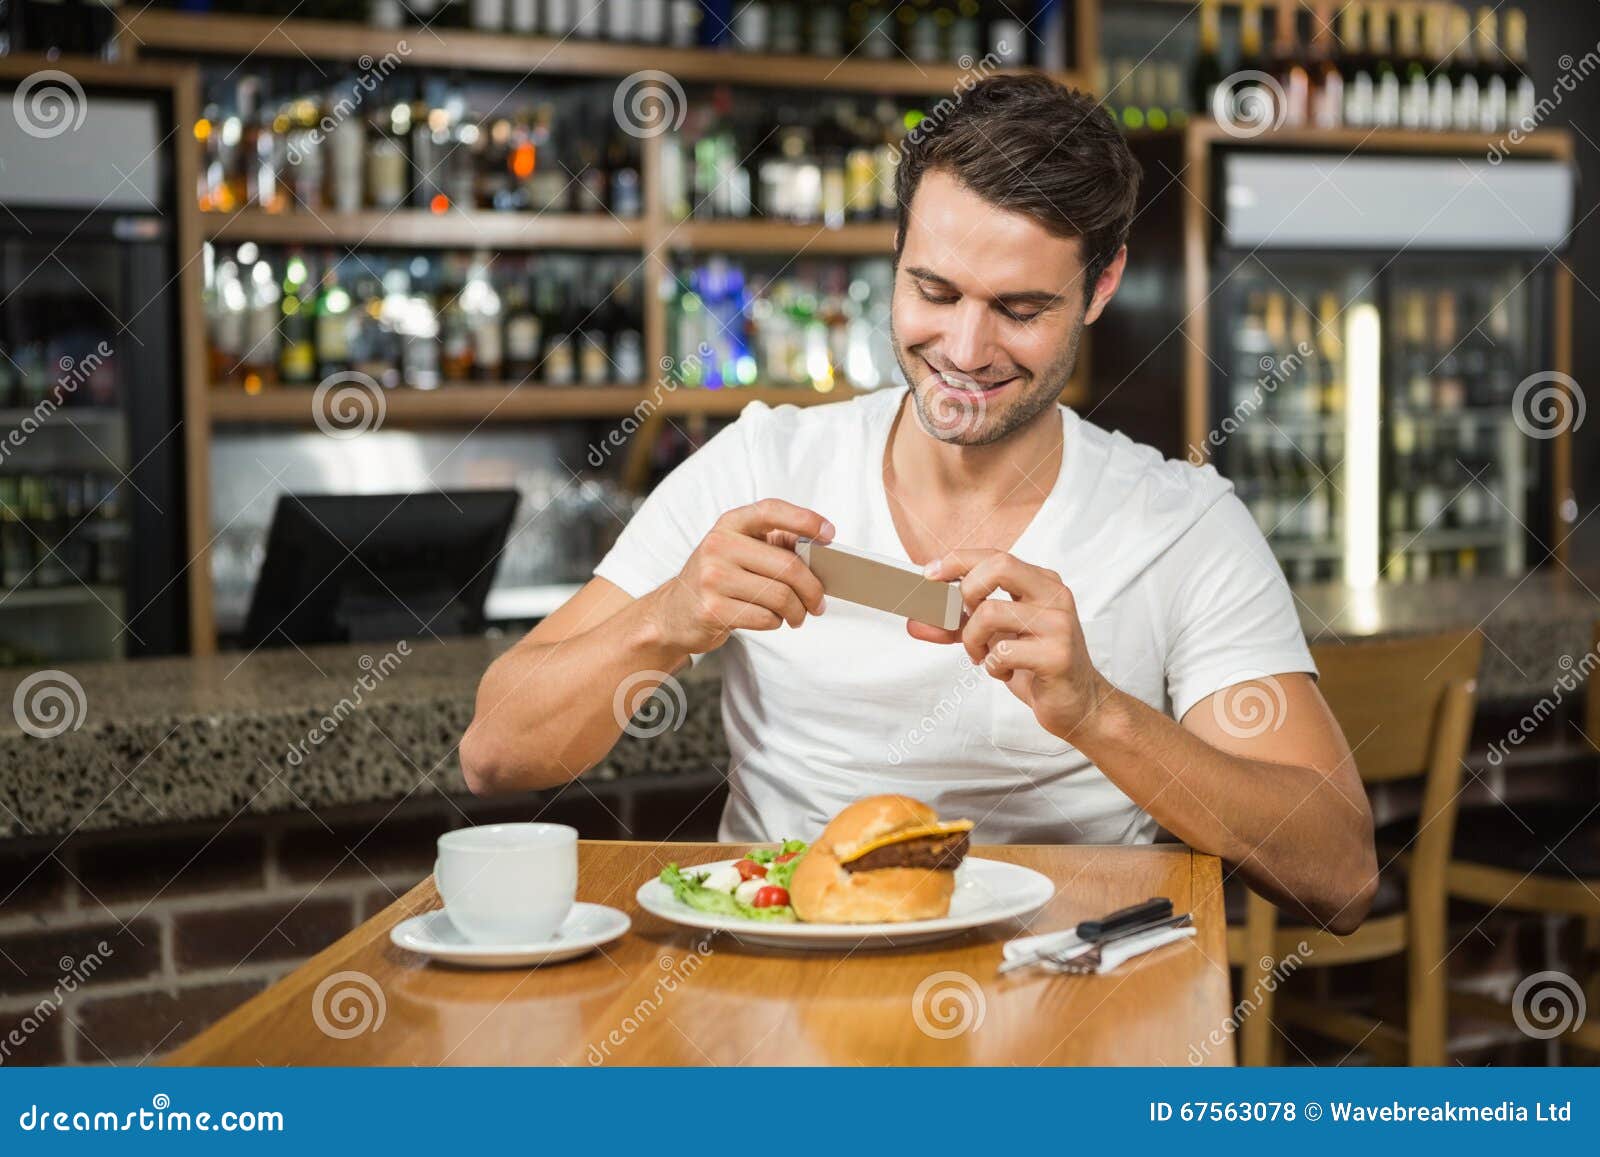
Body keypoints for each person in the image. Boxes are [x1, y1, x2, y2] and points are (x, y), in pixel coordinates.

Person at [462, 75, 1377, 932]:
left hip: (1069, 1004)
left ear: (1100, 286)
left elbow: (1340, 874)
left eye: (1020, 308)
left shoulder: (1180, 524)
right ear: (895, 256)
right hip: (783, 998)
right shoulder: (759, 463)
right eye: (934, 291)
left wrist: (1101, 714)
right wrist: (664, 620)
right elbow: (495, 753)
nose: (967, 350)